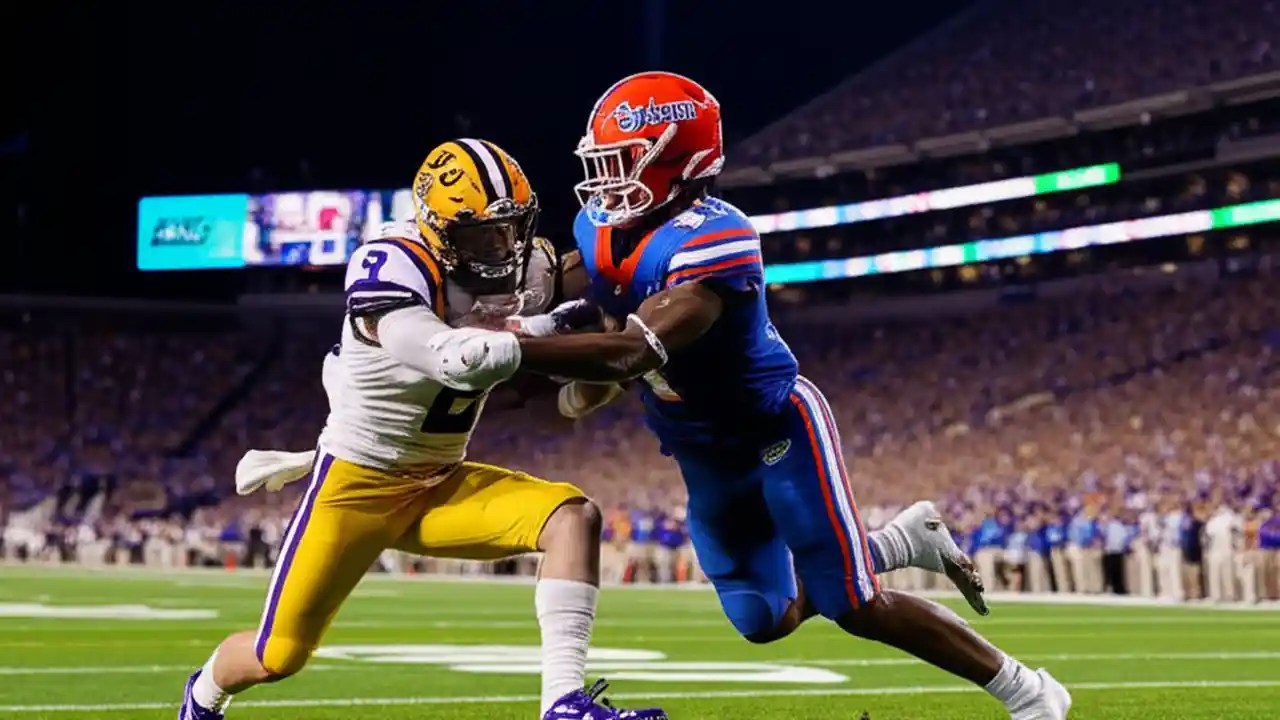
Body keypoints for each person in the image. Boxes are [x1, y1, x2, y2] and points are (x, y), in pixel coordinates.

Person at [439, 71, 1070, 719]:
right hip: (698, 449)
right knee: (764, 620)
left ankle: (1029, 692)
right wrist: (501, 306)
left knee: (852, 602)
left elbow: (636, 345)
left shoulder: (719, 238)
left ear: (681, 163)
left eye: (623, 161)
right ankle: (900, 542)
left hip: (776, 430)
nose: (605, 180)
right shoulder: (601, 224)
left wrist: (517, 346)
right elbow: (589, 290)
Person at [178, 139, 664, 720]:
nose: (502, 247)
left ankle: (563, 703)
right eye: (482, 233)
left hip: (437, 481)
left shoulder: (526, 267)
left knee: (572, 517)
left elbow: (561, 341)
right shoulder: (393, 263)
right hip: (356, 487)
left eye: (510, 228)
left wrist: (604, 330)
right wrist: (556, 331)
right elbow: (453, 359)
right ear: (437, 229)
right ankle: (204, 695)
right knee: (278, 654)